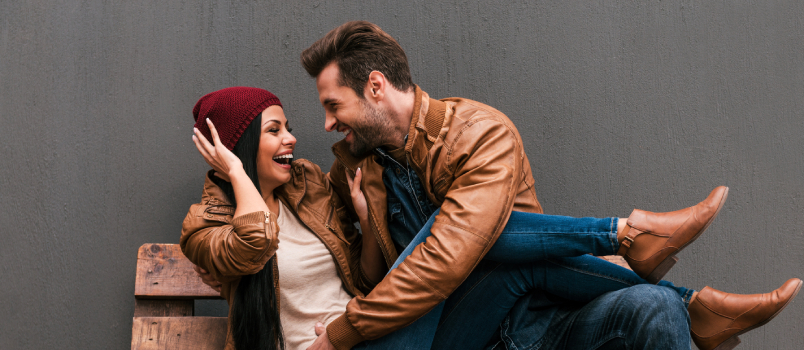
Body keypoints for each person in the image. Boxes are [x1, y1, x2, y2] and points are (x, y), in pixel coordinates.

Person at [296, 21, 802, 350]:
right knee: (462, 235)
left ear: (376, 86)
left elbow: (456, 252)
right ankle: (634, 242)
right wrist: (365, 226)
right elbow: (420, 268)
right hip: (452, 333)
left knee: (655, 306)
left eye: (333, 105)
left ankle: (676, 296)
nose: (326, 125)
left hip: (535, 314)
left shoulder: (479, 134)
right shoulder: (356, 173)